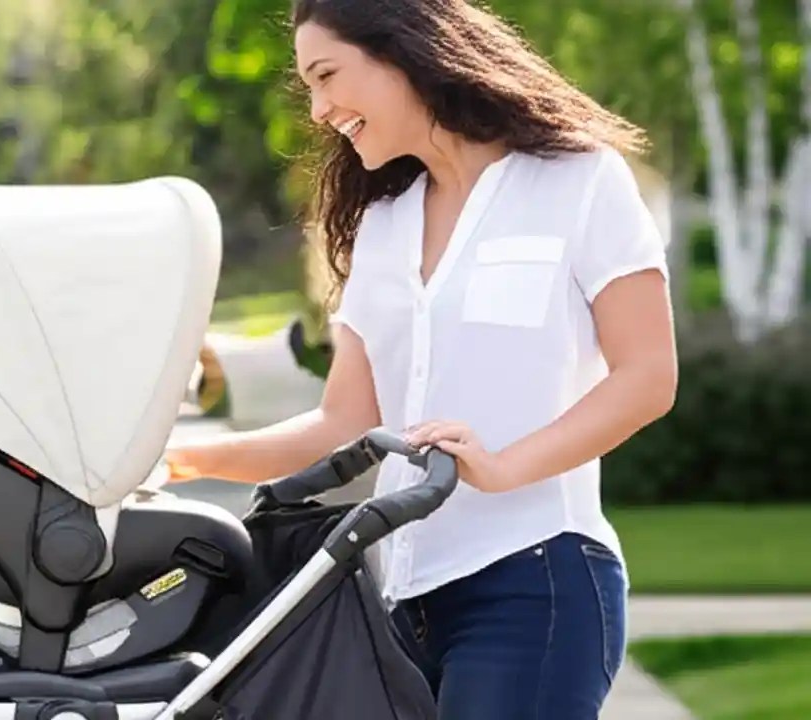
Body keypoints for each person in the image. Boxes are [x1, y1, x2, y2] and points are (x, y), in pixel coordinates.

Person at [163, 0, 678, 717]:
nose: (317, 110)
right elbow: (342, 423)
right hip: (403, 598)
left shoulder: (579, 180)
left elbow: (648, 378)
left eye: (327, 75)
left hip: (535, 581)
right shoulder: (385, 223)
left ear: (403, 53)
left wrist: (505, 467)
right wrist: (177, 459)